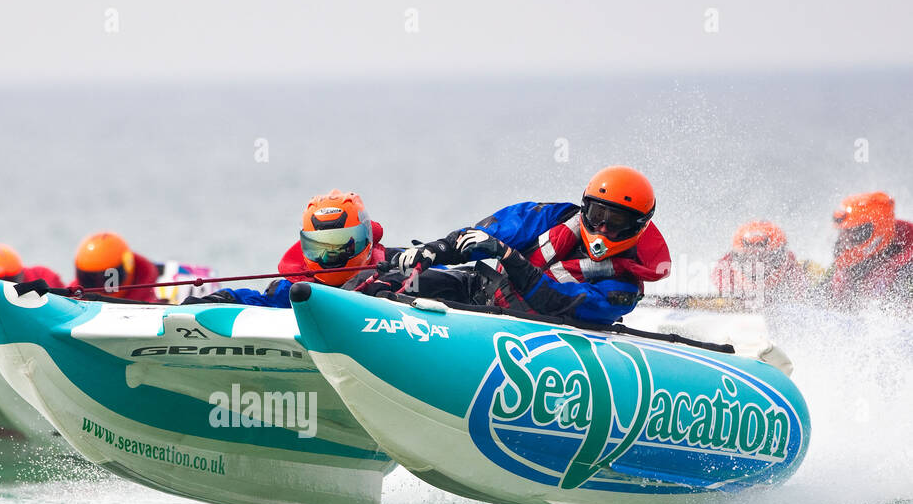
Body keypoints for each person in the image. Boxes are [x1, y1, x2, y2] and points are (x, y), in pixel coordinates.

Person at [381, 166, 671, 324]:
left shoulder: (625, 288)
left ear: (639, 227)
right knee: (395, 279)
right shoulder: (554, 217)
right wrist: (439, 249)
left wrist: (508, 256)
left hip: (532, 333)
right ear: (585, 209)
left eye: (617, 222)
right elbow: (494, 230)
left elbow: (557, 302)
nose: (603, 229)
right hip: (479, 292)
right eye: (597, 216)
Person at [182, 190, 388, 307]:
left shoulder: (389, 274)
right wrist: (223, 299)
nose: (331, 254)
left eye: (342, 244)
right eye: (321, 246)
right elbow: (259, 302)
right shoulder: (295, 290)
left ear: (367, 240)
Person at [72, 232, 215, 303]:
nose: (100, 288)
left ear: (127, 269)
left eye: (108, 278)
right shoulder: (72, 295)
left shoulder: (169, 286)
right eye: (90, 279)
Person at [710, 220, 820, 305]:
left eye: (767, 259)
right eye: (748, 259)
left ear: (782, 256)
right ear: (734, 257)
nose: (756, 266)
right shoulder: (723, 272)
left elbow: (803, 302)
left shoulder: (795, 273)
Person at [829, 191, 913, 301]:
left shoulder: (907, 271)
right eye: (843, 233)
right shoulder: (855, 263)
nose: (845, 243)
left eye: (853, 233)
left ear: (875, 233)